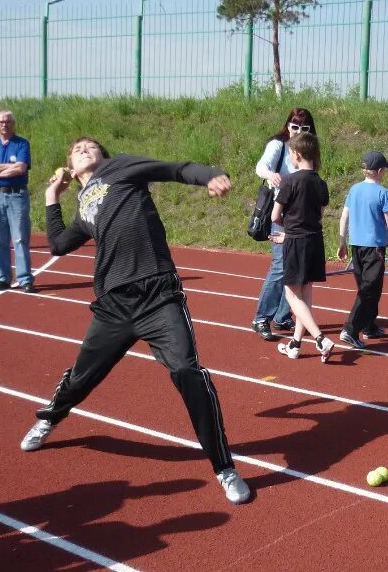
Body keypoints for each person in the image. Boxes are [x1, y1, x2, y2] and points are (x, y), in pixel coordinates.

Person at [19, 136, 250, 505]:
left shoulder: (119, 168)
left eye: (90, 146)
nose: (83, 149)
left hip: (158, 295)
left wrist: (210, 175)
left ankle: (224, 467)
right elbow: (59, 245)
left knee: (187, 371)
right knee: (82, 377)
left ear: (103, 156)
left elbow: (173, 169)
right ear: (70, 167)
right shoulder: (83, 209)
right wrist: (52, 197)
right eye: (76, 149)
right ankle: (50, 416)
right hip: (113, 305)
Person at [251, 108, 317, 341]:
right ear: (288, 125)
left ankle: (282, 316)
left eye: (305, 128)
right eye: (295, 126)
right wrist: (270, 174)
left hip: (299, 215)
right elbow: (260, 167)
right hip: (279, 213)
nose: (299, 131)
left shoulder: (308, 149)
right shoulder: (278, 145)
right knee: (280, 265)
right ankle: (262, 317)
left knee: (292, 266)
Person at [337, 151, 388, 349]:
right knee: (369, 291)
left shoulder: (354, 190)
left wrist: (342, 241)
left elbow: (344, 216)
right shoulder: (383, 193)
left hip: (356, 246)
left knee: (367, 287)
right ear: (379, 171)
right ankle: (350, 329)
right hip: (374, 248)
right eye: (385, 170)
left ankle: (369, 326)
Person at [271, 132, 334, 363]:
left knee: (290, 293)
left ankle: (320, 339)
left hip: (296, 242)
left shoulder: (289, 181)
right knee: (305, 292)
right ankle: (295, 345)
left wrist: (287, 231)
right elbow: (317, 215)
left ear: (296, 154)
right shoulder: (320, 182)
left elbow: (275, 215)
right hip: (315, 240)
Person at [0, 110, 36, 293]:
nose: (5, 124)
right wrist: (8, 168)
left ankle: (25, 279)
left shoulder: (22, 144)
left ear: (14, 123)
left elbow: (20, 168)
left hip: (17, 195)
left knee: (20, 238)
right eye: (1, 122)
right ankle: (3, 278)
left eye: (8, 121)